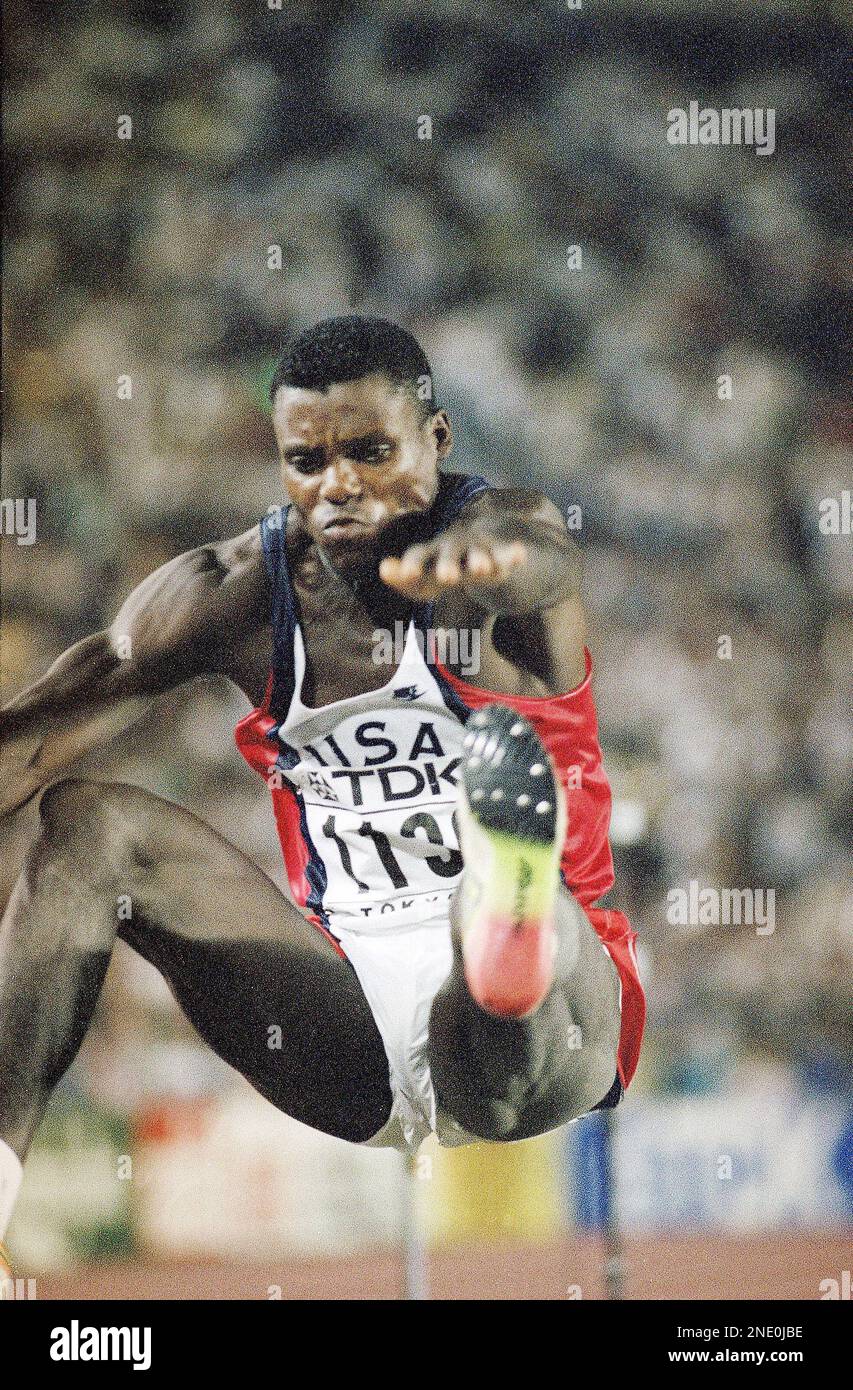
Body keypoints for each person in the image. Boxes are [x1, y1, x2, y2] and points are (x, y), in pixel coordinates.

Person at [0, 315, 645, 1263]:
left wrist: (490, 563)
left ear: (438, 439)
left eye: (371, 452)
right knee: (87, 825)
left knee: (498, 913)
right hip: (344, 1034)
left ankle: (506, 917)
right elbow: (29, 743)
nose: (338, 485)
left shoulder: (501, 549)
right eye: (306, 461)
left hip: (558, 1025)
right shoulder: (229, 594)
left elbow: (540, 558)